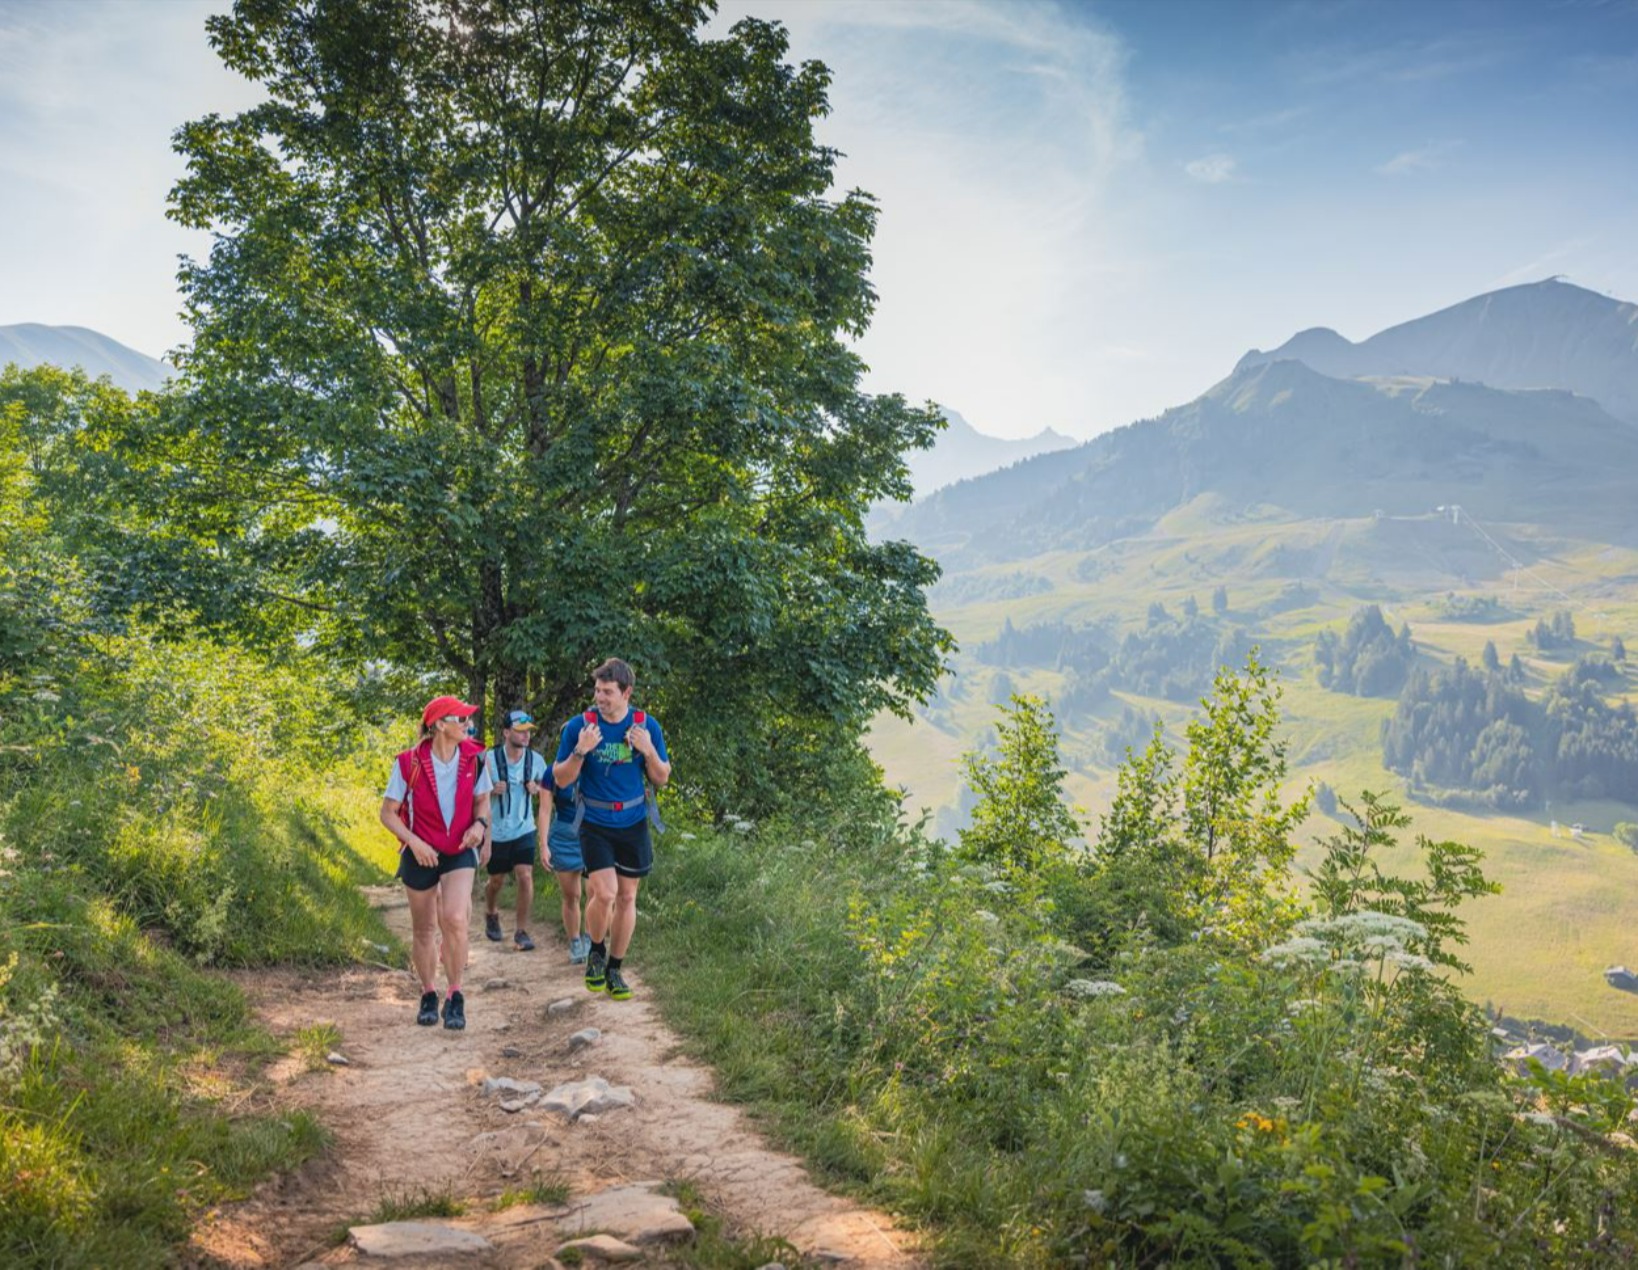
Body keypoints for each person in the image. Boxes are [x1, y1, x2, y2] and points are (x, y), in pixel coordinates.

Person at [553, 658, 670, 1001]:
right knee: (603, 893)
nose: (599, 697)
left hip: (633, 821)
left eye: (607, 692)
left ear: (626, 692)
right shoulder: (580, 727)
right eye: (597, 690)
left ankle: (616, 968)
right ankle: (596, 950)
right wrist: (580, 751)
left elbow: (662, 777)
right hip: (595, 821)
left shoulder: (646, 726)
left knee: (628, 896)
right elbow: (560, 778)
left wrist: (648, 750)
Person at [380, 695, 494, 1030]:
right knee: (425, 928)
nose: (467, 725)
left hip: (459, 847)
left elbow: (483, 801)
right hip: (420, 851)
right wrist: (413, 843)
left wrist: (480, 825)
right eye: (460, 720)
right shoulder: (407, 763)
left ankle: (455, 995)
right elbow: (387, 814)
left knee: (455, 918)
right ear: (440, 725)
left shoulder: (475, 758)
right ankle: (429, 992)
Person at [481, 710, 548, 952]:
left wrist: (536, 787)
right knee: (496, 880)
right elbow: (473, 794)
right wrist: (490, 790)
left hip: (524, 828)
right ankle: (491, 911)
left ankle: (521, 931)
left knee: (525, 875)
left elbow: (548, 787)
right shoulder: (488, 759)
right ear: (506, 732)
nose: (526, 735)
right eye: (520, 731)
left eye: (528, 730)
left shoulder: (536, 760)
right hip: (496, 831)